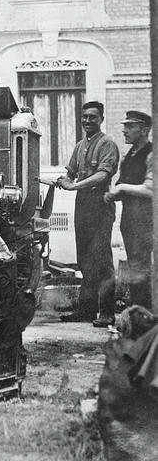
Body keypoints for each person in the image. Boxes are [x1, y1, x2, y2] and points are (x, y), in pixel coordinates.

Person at [58, 101, 120, 327]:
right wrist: (64, 180)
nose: (87, 121)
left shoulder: (108, 144)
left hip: (100, 204)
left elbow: (103, 175)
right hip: (82, 205)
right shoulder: (79, 145)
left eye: (92, 117)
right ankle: (86, 311)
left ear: (101, 119)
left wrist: (74, 185)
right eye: (84, 117)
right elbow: (69, 173)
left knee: (102, 261)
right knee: (84, 260)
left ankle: (107, 313)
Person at [105, 110, 153, 310]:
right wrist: (114, 194)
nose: (124, 131)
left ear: (144, 130)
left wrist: (122, 189)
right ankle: (138, 315)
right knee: (135, 267)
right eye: (125, 126)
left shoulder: (151, 154)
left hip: (147, 220)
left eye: (130, 126)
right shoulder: (129, 156)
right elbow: (122, 184)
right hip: (130, 219)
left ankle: (141, 315)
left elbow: (151, 189)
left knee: (141, 268)